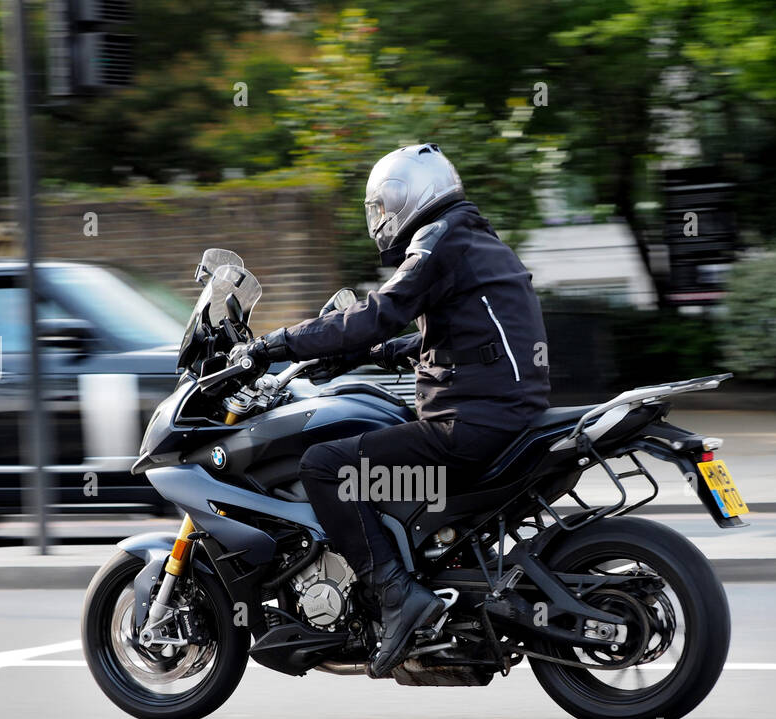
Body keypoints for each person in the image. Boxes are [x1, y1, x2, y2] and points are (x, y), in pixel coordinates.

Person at [232, 143, 550, 676]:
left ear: (406, 196)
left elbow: (381, 312)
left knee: (325, 466)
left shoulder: (438, 238)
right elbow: (451, 338)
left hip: (469, 425)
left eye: (380, 206)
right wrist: (369, 356)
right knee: (379, 442)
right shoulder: (471, 235)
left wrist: (276, 343)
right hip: (501, 413)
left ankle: (398, 594)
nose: (378, 220)